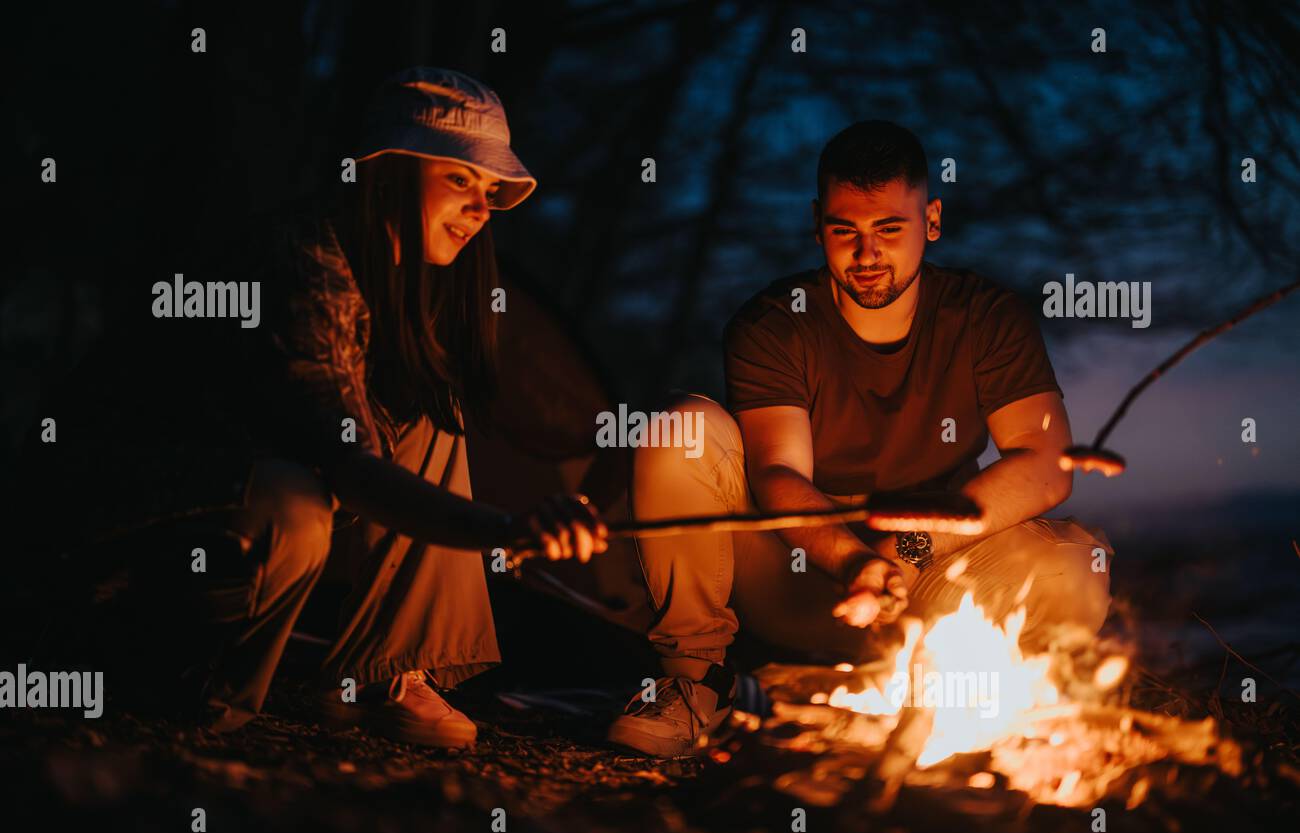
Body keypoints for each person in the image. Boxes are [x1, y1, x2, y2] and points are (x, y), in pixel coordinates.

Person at [18, 67, 607, 748]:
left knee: (428, 418)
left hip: (223, 494)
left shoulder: (397, 280)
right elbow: (347, 463)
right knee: (293, 504)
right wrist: (503, 529)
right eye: (459, 179)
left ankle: (383, 672)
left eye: (490, 188)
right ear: (387, 169)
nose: (482, 207)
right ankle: (178, 691)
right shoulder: (302, 254)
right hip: (118, 519)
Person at [608, 120, 1112, 757]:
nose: (866, 254)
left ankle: (952, 701)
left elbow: (1044, 464)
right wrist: (857, 561)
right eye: (845, 230)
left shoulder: (985, 317)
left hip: (933, 578)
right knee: (682, 427)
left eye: (889, 230)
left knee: (1074, 566)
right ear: (818, 223)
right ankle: (693, 681)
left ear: (931, 220)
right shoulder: (776, 325)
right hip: (797, 573)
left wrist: (906, 551)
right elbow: (777, 472)